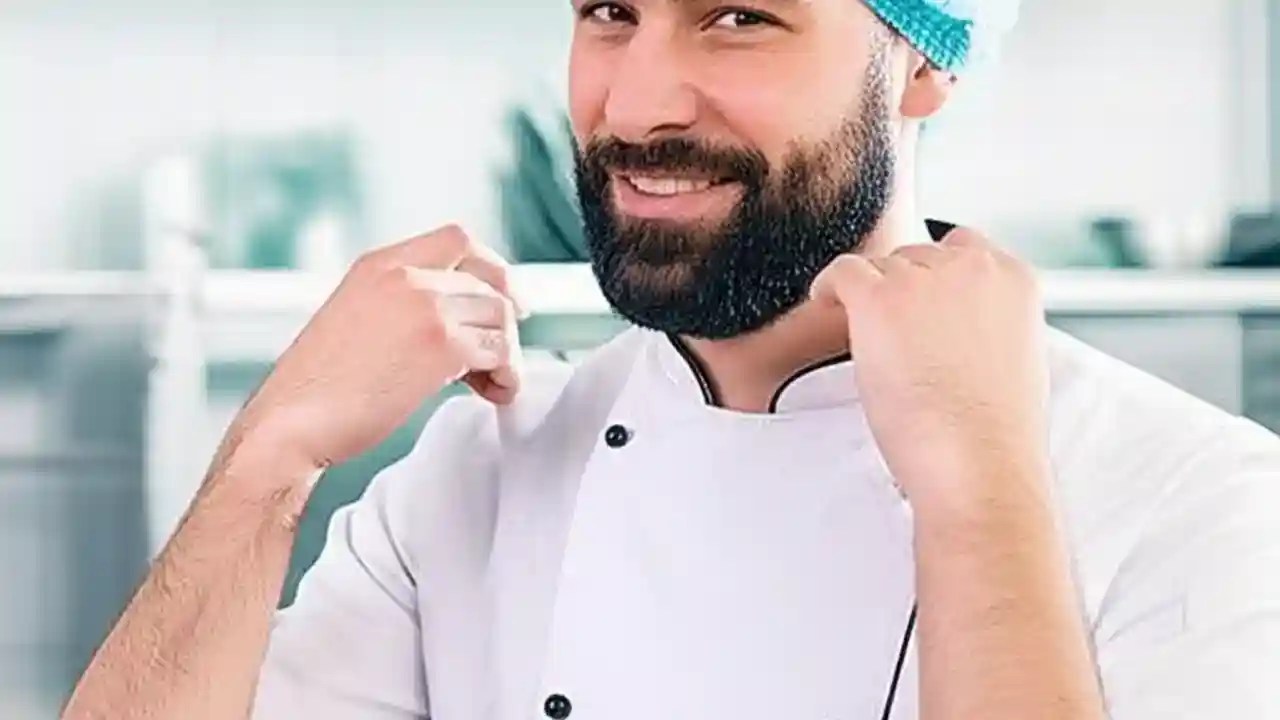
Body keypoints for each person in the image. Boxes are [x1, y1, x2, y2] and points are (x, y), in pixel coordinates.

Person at [66, 0, 1280, 718]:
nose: (640, 102)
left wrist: (977, 495)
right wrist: (269, 459)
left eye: (738, 16)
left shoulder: (1197, 497)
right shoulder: (471, 476)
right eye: (609, 11)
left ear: (923, 60)